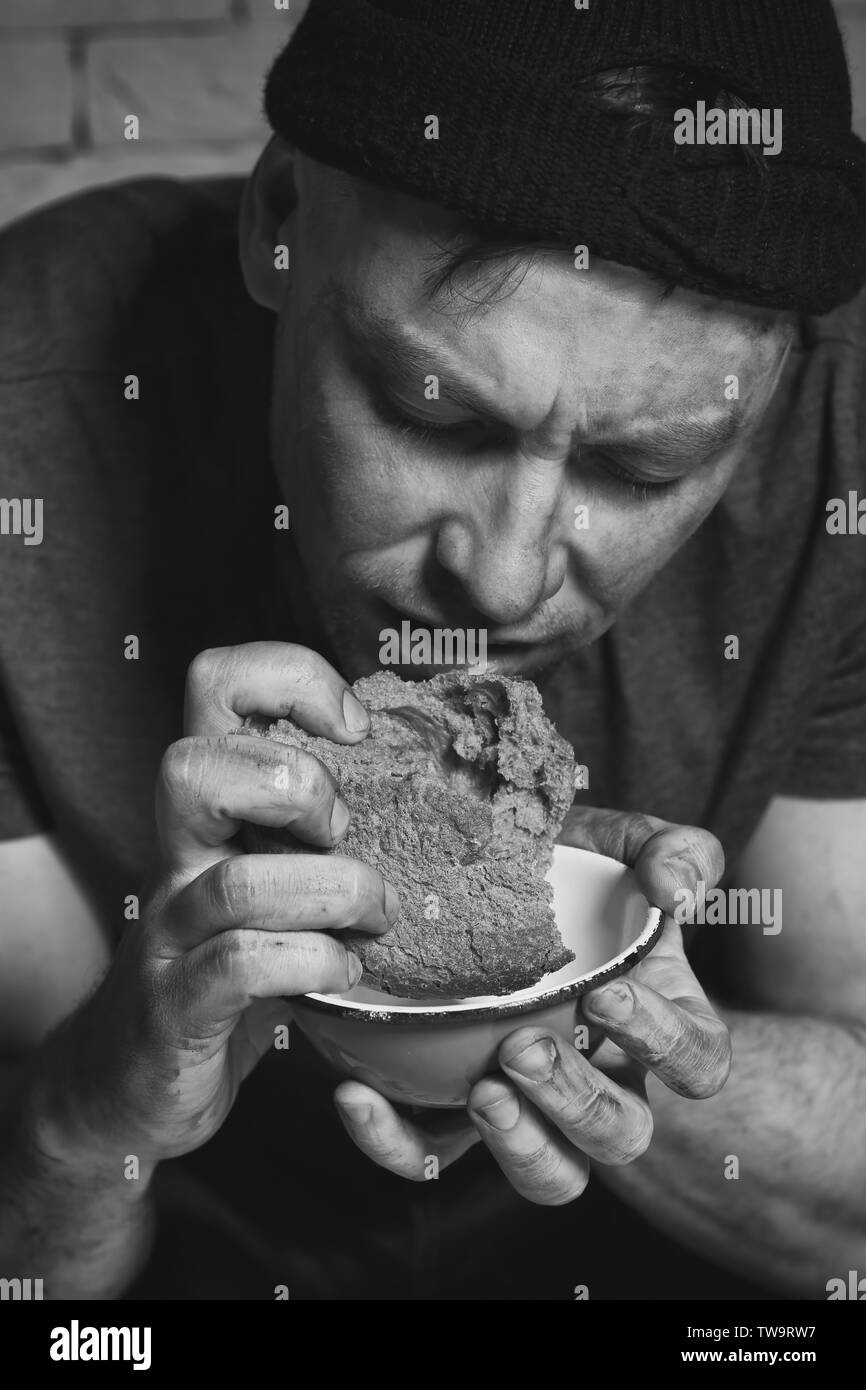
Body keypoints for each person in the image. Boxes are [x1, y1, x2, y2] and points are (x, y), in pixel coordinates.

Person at [1, 0, 865, 1301]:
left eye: (644, 466)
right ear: (280, 216)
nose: (504, 573)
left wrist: (585, 1017)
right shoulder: (23, 428)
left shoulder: (844, 448)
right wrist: (103, 1095)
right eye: (430, 410)